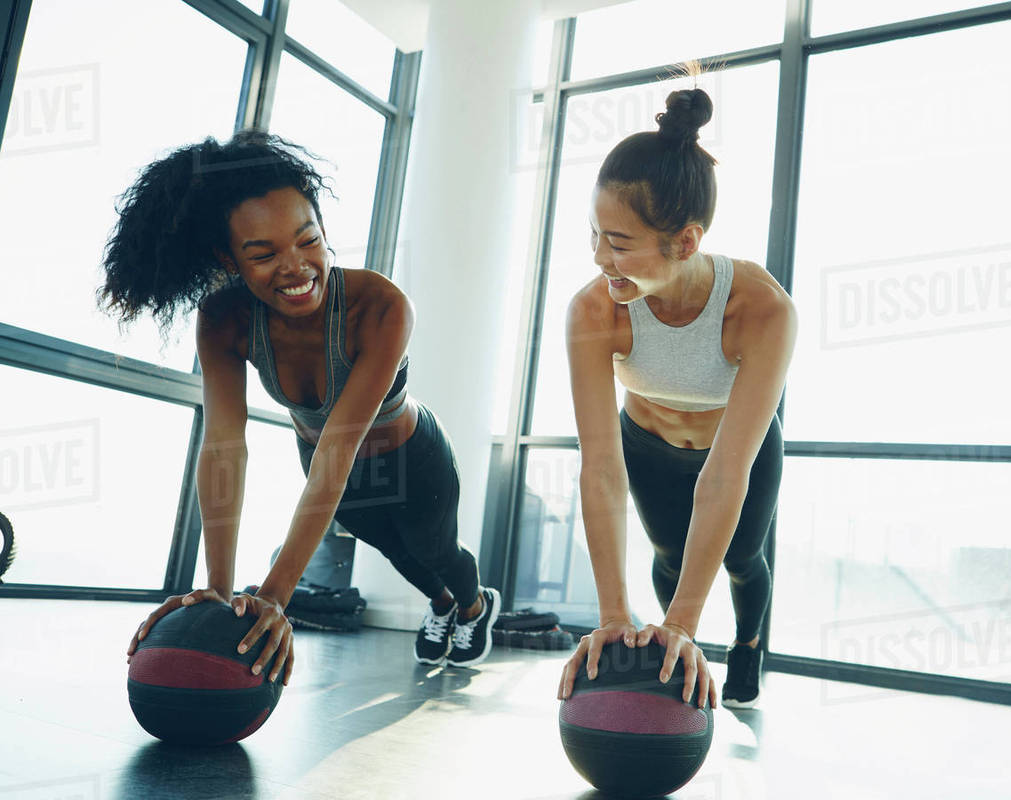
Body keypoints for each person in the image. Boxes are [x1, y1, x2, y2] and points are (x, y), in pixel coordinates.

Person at [102, 131, 500, 683]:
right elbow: (223, 445)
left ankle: (474, 605)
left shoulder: (380, 305)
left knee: (435, 548)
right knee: (396, 552)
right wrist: (219, 586)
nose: (294, 266)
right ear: (229, 258)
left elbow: (342, 444)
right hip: (325, 464)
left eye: (307, 240)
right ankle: (441, 606)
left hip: (411, 459)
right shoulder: (223, 319)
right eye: (263, 254)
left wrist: (274, 596)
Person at [556, 78, 796, 710]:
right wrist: (613, 613)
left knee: (743, 557)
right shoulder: (592, 311)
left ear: (685, 242)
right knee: (670, 554)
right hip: (648, 442)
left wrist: (686, 621)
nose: (601, 258)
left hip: (735, 448)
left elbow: (725, 473)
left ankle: (747, 642)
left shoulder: (761, 308)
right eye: (595, 234)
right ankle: (675, 646)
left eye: (621, 243)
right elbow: (601, 468)